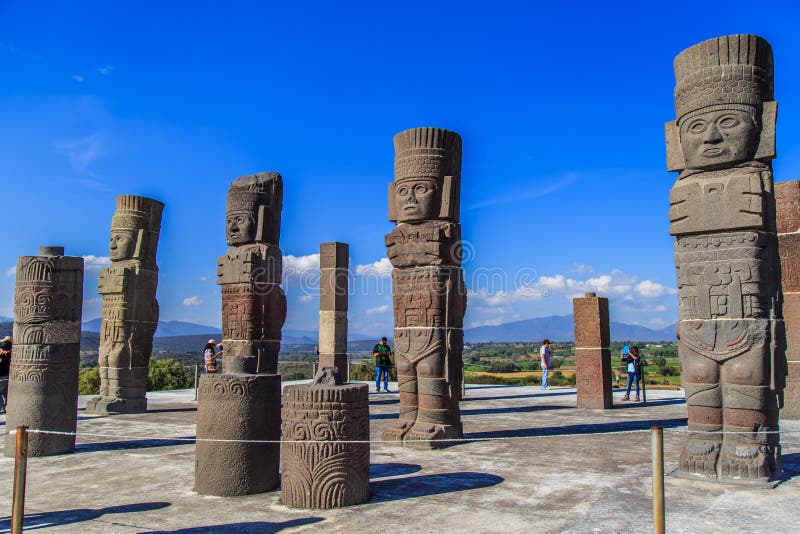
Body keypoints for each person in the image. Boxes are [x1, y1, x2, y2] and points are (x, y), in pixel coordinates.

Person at [0, 336, 12, 414]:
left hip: (1, 377)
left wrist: (2, 340)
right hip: (8, 377)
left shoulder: (1, 355)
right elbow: (9, 338)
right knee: (6, 394)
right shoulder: (11, 355)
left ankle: (1, 408)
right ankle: (7, 407)